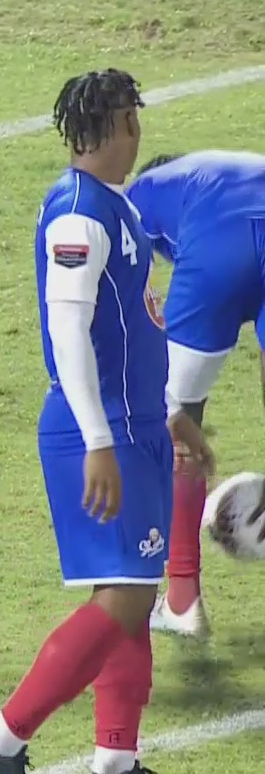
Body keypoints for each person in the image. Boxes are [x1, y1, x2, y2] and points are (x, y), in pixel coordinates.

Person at [0, 69, 215, 774]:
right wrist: (99, 440)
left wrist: (169, 415)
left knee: (129, 595)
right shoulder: (79, 215)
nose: (138, 133)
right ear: (121, 125)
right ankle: (2, 737)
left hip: (133, 428)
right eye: (133, 118)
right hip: (95, 432)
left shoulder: (115, 209)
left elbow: (128, 331)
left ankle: (114, 767)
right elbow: (68, 333)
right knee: (126, 599)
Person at [123, 149, 265, 637]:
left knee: (176, 419)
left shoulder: (144, 192)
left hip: (218, 248)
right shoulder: (229, 167)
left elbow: (123, 285)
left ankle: (183, 599)